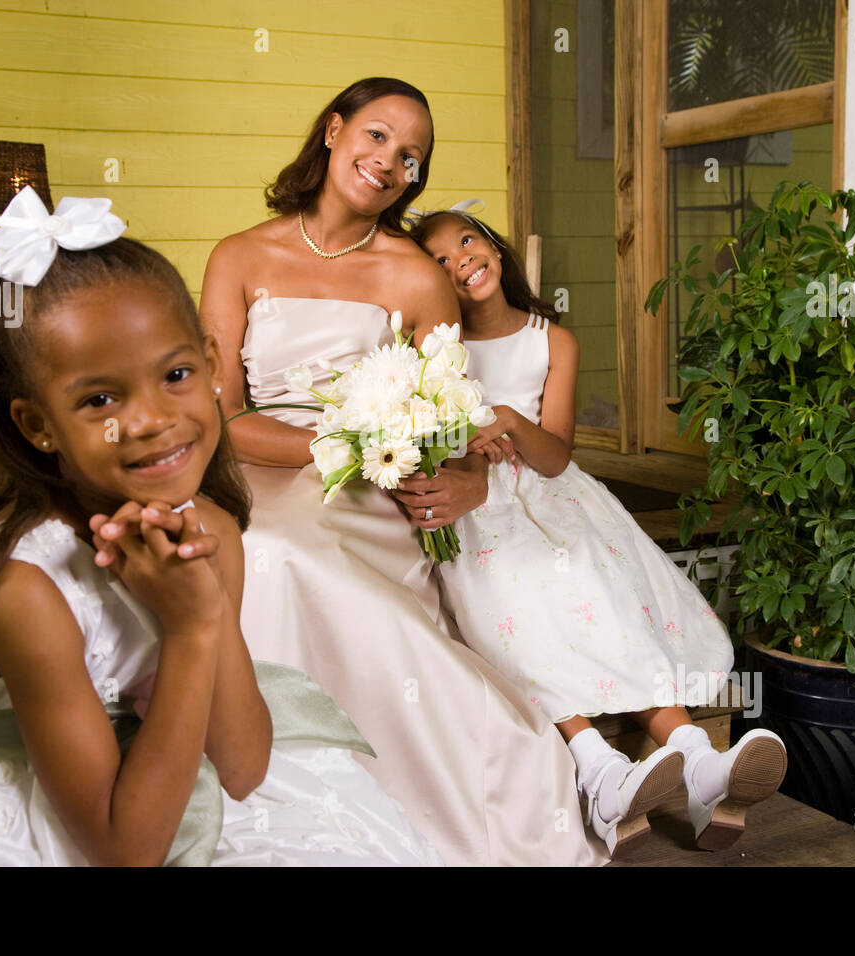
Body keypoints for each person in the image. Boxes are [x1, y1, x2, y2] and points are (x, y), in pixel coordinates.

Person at [0, 188, 442, 866]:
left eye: (175, 374)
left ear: (214, 367)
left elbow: (242, 765)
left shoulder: (209, 527)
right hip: (53, 831)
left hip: (178, 782)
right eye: (100, 398)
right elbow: (122, 851)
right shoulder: (23, 594)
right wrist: (190, 627)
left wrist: (203, 608)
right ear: (38, 425)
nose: (152, 418)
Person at [202, 77, 603, 865]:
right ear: (333, 130)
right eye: (379, 136)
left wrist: (471, 480)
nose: (391, 162)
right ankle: (272, 786)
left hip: (374, 478)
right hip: (259, 464)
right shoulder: (239, 256)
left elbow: (449, 418)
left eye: (411, 156)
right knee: (266, 548)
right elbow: (221, 413)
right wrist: (324, 450)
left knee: (298, 551)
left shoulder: (416, 276)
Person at [410, 206, 788, 858]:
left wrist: (505, 418)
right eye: (438, 260)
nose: (459, 261)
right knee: (511, 604)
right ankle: (601, 767)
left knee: (598, 595)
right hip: (480, 508)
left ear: (494, 246)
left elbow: (554, 454)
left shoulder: (552, 340)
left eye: (466, 241)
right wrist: (470, 444)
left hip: (552, 497)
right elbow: (433, 440)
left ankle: (695, 757)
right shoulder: (440, 349)